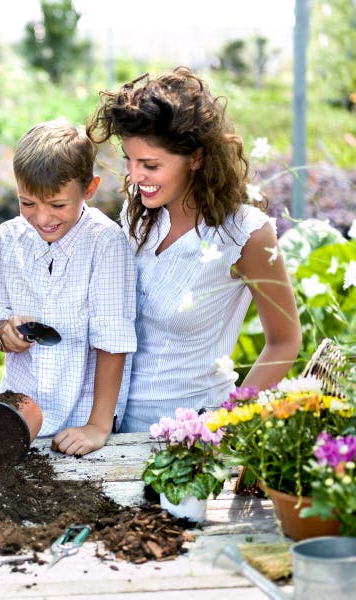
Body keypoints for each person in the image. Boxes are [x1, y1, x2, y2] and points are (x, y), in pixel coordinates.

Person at [87, 67, 302, 433]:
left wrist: (230, 422)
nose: (135, 177)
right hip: (111, 424)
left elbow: (285, 341)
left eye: (150, 165)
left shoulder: (245, 233)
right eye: (130, 160)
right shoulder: (136, 214)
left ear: (197, 158)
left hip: (192, 435)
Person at [0, 120, 137, 456]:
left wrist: (97, 426)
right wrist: (3, 332)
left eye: (57, 205)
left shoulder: (106, 243)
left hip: (80, 418)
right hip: (21, 413)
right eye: (28, 203)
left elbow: (113, 339)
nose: (42, 218)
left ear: (89, 189)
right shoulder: (4, 241)